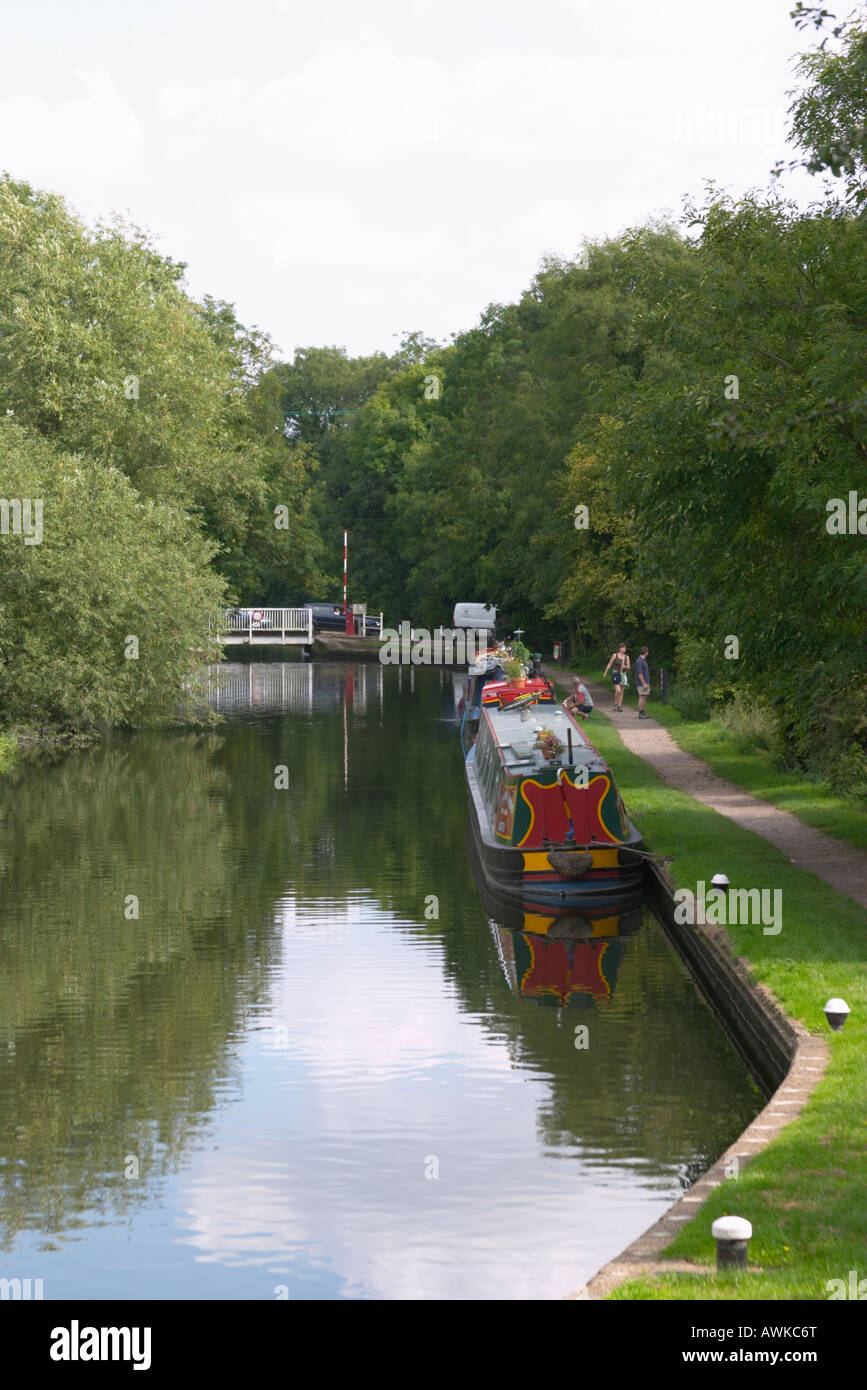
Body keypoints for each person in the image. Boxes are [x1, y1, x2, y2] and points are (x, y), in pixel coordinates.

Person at [602, 643, 630, 711]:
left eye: (625, 647)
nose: (624, 649)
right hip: (616, 673)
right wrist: (605, 672)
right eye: (623, 647)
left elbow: (629, 667)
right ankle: (615, 704)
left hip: (623, 674)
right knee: (618, 690)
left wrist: (625, 666)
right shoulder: (615, 655)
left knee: (622, 691)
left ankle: (619, 706)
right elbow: (610, 663)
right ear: (619, 649)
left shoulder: (626, 657)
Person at [635, 646, 651, 719]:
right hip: (642, 683)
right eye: (648, 651)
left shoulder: (643, 660)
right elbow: (639, 673)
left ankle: (643, 711)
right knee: (642, 696)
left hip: (646, 682)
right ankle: (640, 713)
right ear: (646, 652)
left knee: (644, 696)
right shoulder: (639, 661)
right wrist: (643, 683)